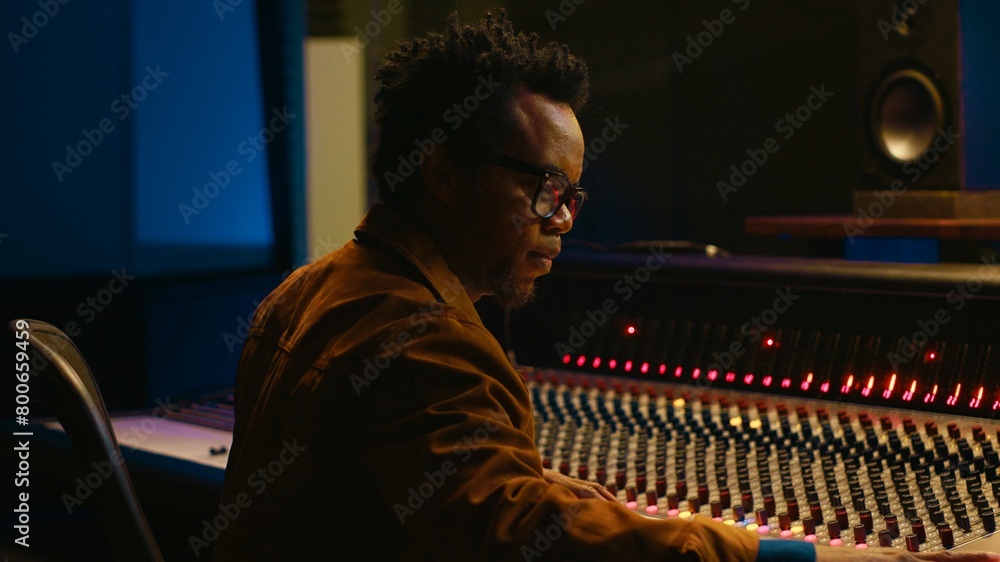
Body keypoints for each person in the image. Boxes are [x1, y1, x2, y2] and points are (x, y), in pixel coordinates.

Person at [211, 10, 1000, 562]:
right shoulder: (420, 340)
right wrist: (787, 554)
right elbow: (515, 531)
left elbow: (466, 486)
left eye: (573, 197)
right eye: (545, 190)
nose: (562, 222)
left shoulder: (312, 290)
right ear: (444, 174)